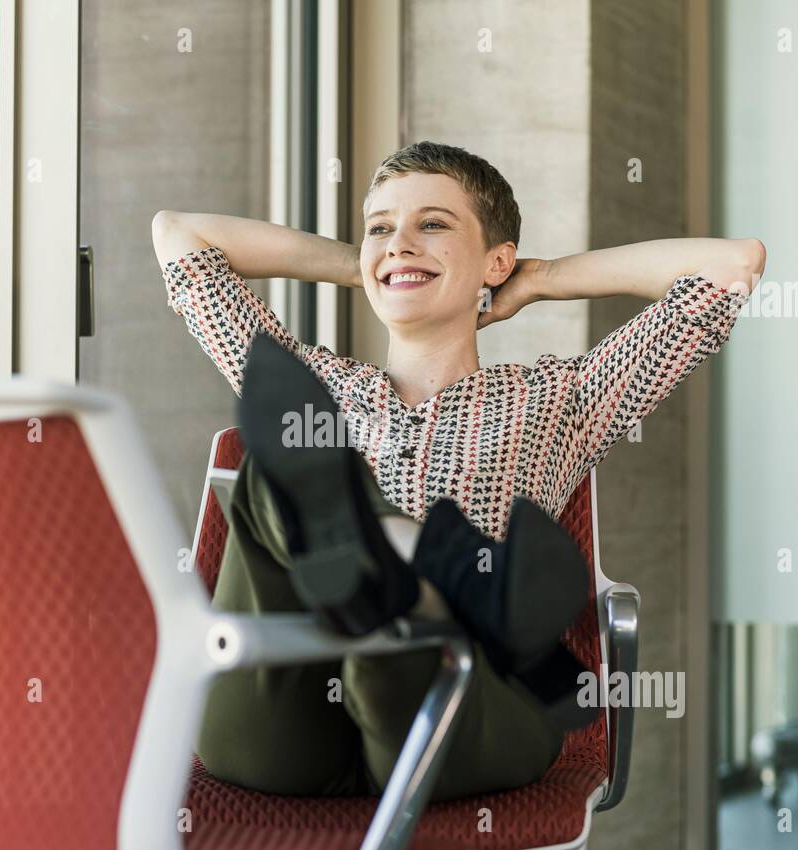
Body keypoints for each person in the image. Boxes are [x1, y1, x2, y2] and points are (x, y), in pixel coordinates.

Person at [152, 140, 765, 802]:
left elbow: (731, 265)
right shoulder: (322, 391)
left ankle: (406, 594)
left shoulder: (561, 399)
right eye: (381, 227)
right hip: (290, 715)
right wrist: (370, 265)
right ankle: (410, 560)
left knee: (391, 636)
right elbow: (178, 236)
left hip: (465, 703)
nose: (401, 241)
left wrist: (540, 277)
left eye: (434, 224)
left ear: (495, 259)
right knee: (276, 466)